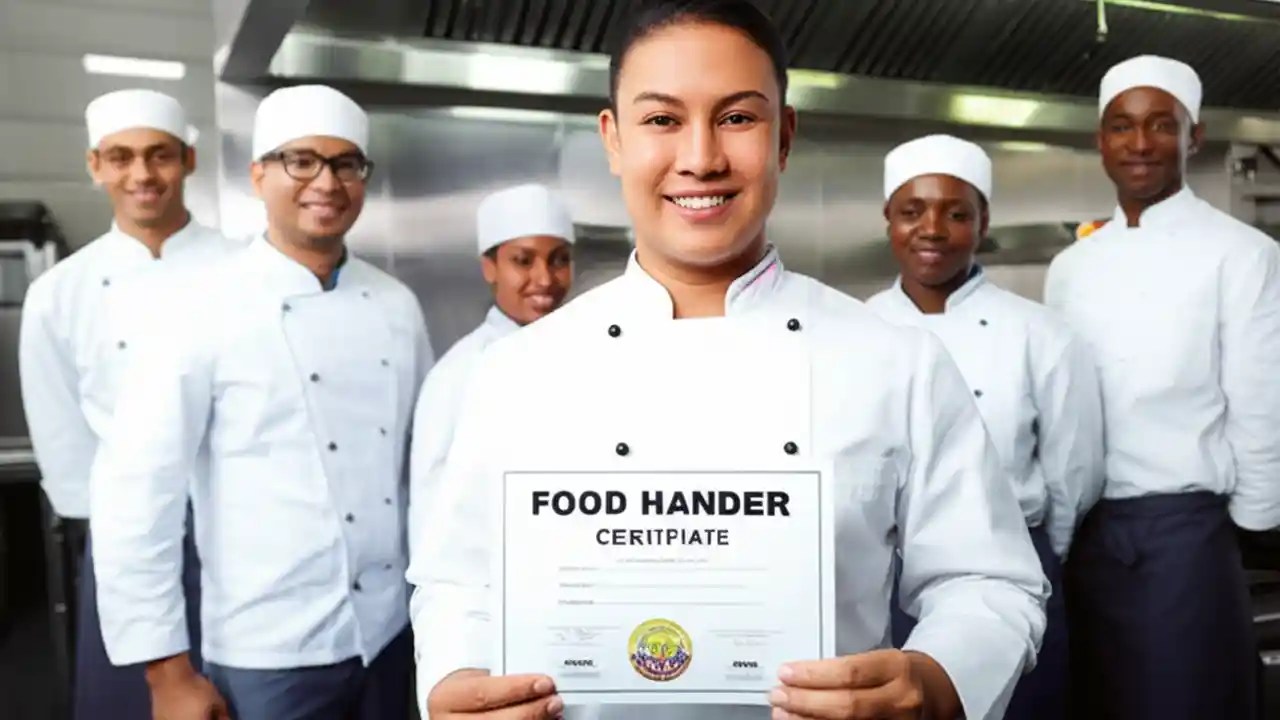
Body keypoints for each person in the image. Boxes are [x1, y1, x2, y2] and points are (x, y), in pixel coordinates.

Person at [407, 2, 1048, 720]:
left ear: (784, 137)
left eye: (738, 117)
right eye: (661, 120)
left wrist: (935, 681)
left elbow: (988, 580)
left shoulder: (893, 360)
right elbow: (457, 582)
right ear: (613, 141)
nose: (702, 157)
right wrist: (454, 684)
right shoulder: (519, 371)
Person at [88, 84, 434, 720]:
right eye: (300, 161)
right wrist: (167, 674)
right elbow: (136, 490)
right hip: (268, 651)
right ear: (258, 176)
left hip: (390, 637)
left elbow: (421, 469)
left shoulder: (395, 304)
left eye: (346, 164)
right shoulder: (197, 305)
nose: (325, 182)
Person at [1045, 54, 1280, 720]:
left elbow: (1261, 403)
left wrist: (1246, 530)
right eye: (1122, 126)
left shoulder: (1243, 253)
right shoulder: (1071, 267)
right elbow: (1062, 409)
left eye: (1160, 125)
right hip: (1086, 536)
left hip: (1185, 534)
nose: (1140, 143)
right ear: (1101, 140)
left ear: (1193, 136)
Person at [18, 88, 239, 720]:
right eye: (121, 157)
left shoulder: (247, 268)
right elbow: (61, 437)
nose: (142, 175)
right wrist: (122, 534)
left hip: (247, 526)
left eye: (159, 155)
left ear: (188, 161)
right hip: (127, 540)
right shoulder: (60, 293)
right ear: (95, 166)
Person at [866, 134, 1105, 720]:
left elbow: (1075, 470)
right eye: (912, 211)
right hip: (882, 577)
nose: (932, 229)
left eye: (956, 213)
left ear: (983, 221)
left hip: (1017, 566)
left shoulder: (1040, 333)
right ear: (888, 220)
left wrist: (1037, 554)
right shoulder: (856, 330)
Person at [407, 183, 574, 550]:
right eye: (523, 260)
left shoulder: (587, 358)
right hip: (487, 588)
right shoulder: (459, 373)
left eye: (559, 259)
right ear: (489, 267)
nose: (545, 278)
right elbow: (431, 516)